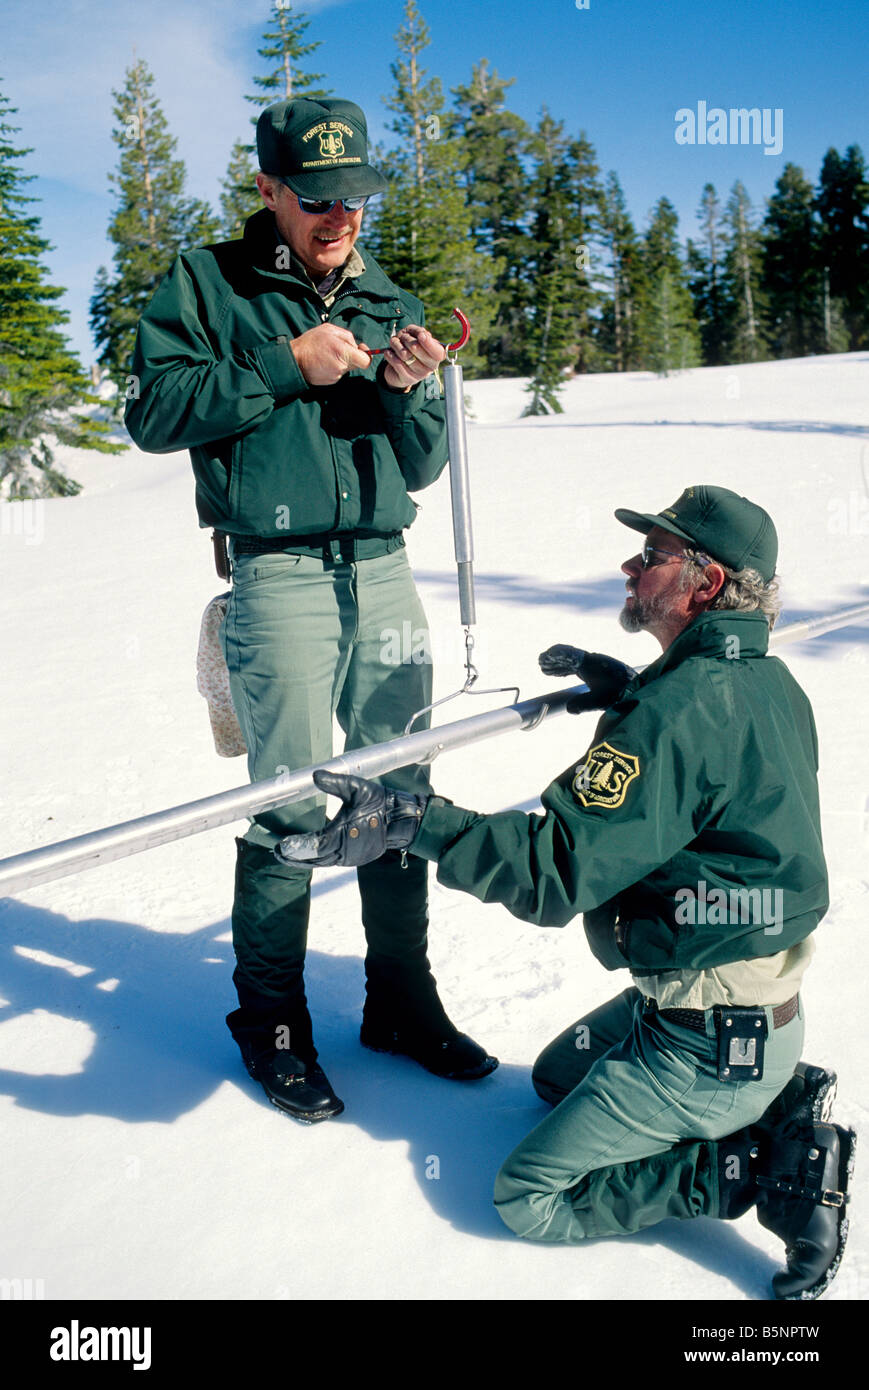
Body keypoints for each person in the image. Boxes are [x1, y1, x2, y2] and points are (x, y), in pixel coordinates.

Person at [278, 485, 855, 1300]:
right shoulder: (759, 679)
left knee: (529, 1198)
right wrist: (628, 696)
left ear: (707, 582)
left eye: (652, 556)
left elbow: (550, 872)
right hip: (743, 1005)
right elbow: (704, 781)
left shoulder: (683, 709)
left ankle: (751, 1168)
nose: (629, 564)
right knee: (556, 1079)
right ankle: (777, 1094)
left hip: (706, 1037)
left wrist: (413, 822)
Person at [125, 97, 497, 1124]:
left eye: (354, 197)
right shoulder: (209, 283)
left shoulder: (385, 297)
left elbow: (418, 466)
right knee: (290, 798)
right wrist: (281, 366)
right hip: (277, 568)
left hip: (381, 564)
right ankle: (272, 1018)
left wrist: (413, 392)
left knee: (398, 792)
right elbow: (152, 410)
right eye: (316, 196)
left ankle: (400, 999)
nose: (339, 216)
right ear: (269, 191)